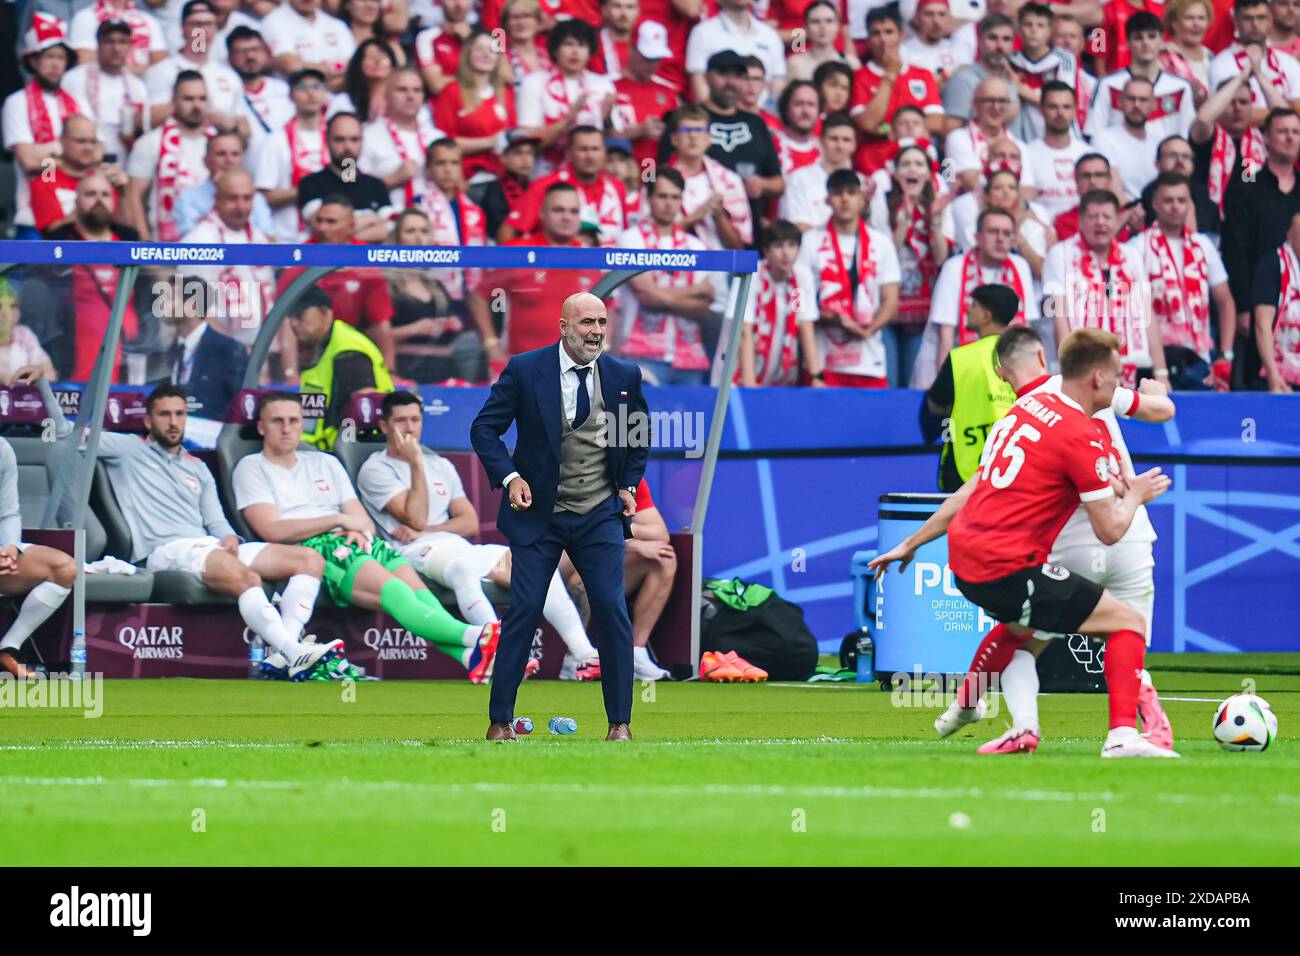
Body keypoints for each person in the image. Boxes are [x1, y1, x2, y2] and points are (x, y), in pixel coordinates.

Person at [871, 328, 1178, 759]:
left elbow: (972, 490)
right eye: (1115, 375)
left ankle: (981, 712)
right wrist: (1136, 494)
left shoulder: (1022, 410)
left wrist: (913, 542)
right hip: (1028, 559)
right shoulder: (1079, 431)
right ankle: (1122, 733)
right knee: (1124, 625)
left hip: (972, 559)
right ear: (1095, 377)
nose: (1116, 382)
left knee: (1022, 631)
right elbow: (1111, 523)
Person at [39, 378, 341, 681]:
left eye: (180, 414)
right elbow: (68, 434)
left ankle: (284, 651)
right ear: (148, 420)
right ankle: (294, 651)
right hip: (166, 550)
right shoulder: (127, 448)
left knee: (309, 560)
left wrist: (229, 538)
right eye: (165, 414)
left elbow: (217, 521)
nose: (173, 422)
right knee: (248, 578)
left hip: (207, 545)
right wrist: (42, 385)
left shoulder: (198, 467)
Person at [470, 291, 648, 741]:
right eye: (587, 322)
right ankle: (499, 722)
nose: (596, 331)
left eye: (602, 322)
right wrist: (510, 478)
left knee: (611, 608)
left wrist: (627, 487)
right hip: (538, 515)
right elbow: (484, 429)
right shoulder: (526, 369)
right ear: (564, 327)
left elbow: (637, 437)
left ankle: (620, 725)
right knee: (525, 608)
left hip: (598, 513)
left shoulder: (624, 375)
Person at [234, 391, 500, 681]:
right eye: (277, 421)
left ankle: (469, 657)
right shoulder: (251, 467)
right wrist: (337, 520)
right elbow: (271, 529)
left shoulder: (326, 463)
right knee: (397, 592)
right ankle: (482, 635)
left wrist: (355, 527)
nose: (287, 428)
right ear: (261, 427)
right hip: (315, 547)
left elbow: (363, 520)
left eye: (293, 421)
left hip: (360, 540)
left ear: (302, 425)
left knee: (423, 597)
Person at [357, 391, 602, 680]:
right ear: (385, 426)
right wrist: (415, 465)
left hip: (455, 546)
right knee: (462, 569)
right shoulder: (375, 468)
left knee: (537, 568)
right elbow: (416, 517)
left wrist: (430, 528)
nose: (409, 428)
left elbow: (468, 521)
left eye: (415, 420)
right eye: (401, 421)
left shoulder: (441, 465)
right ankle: (504, 652)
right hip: (410, 553)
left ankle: (584, 655)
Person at [1044, 189, 1166, 386]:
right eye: (1093, 216)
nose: (1100, 222)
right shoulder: (1060, 254)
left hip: (1129, 368)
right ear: (1081, 221)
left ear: (1117, 220)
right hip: (1082, 369)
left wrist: (1161, 372)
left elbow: (1146, 313)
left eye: (1107, 216)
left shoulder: (1132, 255)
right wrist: (1071, 370)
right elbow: (1060, 316)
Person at [471, 182, 605, 362]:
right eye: (559, 210)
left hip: (577, 369)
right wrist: (491, 344)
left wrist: (606, 346)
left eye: (573, 211)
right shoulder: (518, 252)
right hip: (522, 369)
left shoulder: (588, 257)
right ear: (542, 213)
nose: (567, 217)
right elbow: (478, 295)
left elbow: (609, 306)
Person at [1127, 171, 1235, 390]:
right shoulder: (1137, 247)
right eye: (1168, 200)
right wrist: (1159, 369)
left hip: (1200, 359)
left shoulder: (1203, 244)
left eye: (1181, 200)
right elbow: (1137, 309)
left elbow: (1225, 301)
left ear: (1190, 204)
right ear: (1154, 204)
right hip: (1153, 361)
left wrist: (1225, 355)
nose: (1175, 206)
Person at [914, 207, 1036, 392]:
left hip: (1000, 371)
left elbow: (1025, 329)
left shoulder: (1020, 266)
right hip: (947, 365)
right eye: (993, 231)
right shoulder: (954, 267)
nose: (1000, 239)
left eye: (1006, 233)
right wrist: (945, 385)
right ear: (977, 237)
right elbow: (945, 334)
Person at [1220, 107, 1300, 389]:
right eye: (1282, 131)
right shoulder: (1249, 183)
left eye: (1295, 132)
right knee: (1255, 384)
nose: (1289, 138)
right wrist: (1242, 305)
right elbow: (1235, 248)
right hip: (1257, 300)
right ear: (1265, 138)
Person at [614, 168, 717, 385]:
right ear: (649, 198)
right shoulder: (630, 240)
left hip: (689, 359)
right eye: (662, 196)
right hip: (642, 356)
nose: (669, 203)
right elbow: (646, 298)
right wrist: (695, 291)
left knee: (690, 420)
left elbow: (702, 309)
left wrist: (660, 294)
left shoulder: (696, 245)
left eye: (675, 197)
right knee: (639, 420)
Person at [798, 169, 900, 388]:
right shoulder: (809, 240)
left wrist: (871, 327)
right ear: (827, 199)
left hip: (869, 359)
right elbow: (798, 296)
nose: (845, 199)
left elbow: (891, 299)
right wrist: (830, 316)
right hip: (823, 359)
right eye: (838, 193)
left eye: (852, 192)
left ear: (862, 199)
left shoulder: (881, 242)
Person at [922, 282, 1020, 492]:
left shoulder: (961, 358)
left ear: (985, 315)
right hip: (1015, 469)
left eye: (973, 305)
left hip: (964, 471)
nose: (968, 309)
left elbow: (935, 404)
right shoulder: (1025, 355)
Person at [0, 412, 75, 677]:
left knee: (63, 568)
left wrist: (9, 548)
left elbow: (9, 512)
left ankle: (9, 647)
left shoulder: (2, 450)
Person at [871, 143, 952, 386]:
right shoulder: (883, 203)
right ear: (895, 174)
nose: (912, 169)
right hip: (887, 309)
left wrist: (935, 223)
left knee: (914, 384)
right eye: (905, 164)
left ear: (929, 174)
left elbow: (941, 259)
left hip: (923, 313)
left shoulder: (937, 206)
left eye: (919, 164)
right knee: (891, 382)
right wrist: (902, 224)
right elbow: (881, 258)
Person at [281, 287, 394, 449]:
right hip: (319, 451)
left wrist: (343, 455)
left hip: (341, 455)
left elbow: (364, 411)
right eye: (290, 317)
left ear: (324, 313)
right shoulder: (321, 345)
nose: (293, 323)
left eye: (300, 316)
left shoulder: (348, 351)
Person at [3, 15, 80, 240]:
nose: (55, 64)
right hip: (32, 214)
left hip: (75, 213)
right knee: (31, 275)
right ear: (34, 61)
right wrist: (71, 157)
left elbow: (94, 152)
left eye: (61, 57)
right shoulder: (17, 102)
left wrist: (49, 154)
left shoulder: (78, 102)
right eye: (48, 56)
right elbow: (28, 161)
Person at [178, 169, 276, 348]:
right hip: (211, 351)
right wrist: (234, 352)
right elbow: (194, 310)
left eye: (247, 198)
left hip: (258, 349)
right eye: (233, 198)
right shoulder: (199, 240)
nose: (241, 207)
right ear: (217, 199)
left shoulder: (258, 237)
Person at [385, 208, 482, 383]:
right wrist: (415, 328)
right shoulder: (385, 285)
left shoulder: (434, 284)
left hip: (443, 367)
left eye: (424, 231)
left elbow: (454, 316)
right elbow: (373, 335)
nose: (418, 237)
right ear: (397, 238)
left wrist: (454, 323)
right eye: (410, 231)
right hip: (403, 368)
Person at [850, 6, 943, 173]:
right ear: (868, 39)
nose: (883, 39)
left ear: (901, 36)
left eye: (888, 32)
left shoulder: (922, 74)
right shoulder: (859, 76)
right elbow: (867, 123)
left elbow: (936, 121)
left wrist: (887, 129)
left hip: (918, 157)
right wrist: (890, 75)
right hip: (874, 160)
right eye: (876, 33)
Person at [516, 19, 617, 172]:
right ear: (555, 50)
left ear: (590, 52)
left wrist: (607, 122)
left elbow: (612, 143)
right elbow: (528, 144)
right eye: (569, 44)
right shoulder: (534, 83)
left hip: (591, 173)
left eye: (582, 45)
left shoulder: (603, 85)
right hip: (545, 171)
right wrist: (567, 120)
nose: (575, 52)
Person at [123, 70, 213, 241]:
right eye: (188, 99)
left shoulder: (219, 143)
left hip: (215, 249)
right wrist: (146, 246)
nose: (196, 105)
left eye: (202, 99)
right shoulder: (150, 142)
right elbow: (133, 196)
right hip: (166, 248)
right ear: (173, 101)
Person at [502, 126, 629, 244]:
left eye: (595, 149)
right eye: (583, 149)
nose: (590, 156)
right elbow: (508, 233)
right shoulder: (545, 185)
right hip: (561, 266)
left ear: (604, 153)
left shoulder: (617, 187)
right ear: (569, 153)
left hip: (613, 266)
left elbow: (625, 234)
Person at [1085, 12, 1196, 142]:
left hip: (1166, 159)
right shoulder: (1108, 85)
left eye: (1151, 37)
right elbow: (1094, 133)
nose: (1145, 43)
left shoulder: (1181, 87)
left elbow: (1187, 136)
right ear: (1127, 42)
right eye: (1138, 38)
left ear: (1162, 40)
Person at [737, 219, 818, 387]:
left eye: (791, 245)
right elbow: (744, 331)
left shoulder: (800, 280)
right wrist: (750, 383)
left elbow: (804, 326)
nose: (786, 253)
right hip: (739, 376)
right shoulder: (751, 277)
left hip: (781, 379)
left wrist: (816, 377)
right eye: (779, 246)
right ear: (766, 251)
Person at [663, 103, 753, 250]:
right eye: (686, 130)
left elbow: (739, 248)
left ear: (708, 139)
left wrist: (719, 215)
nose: (692, 136)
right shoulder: (657, 179)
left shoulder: (729, 180)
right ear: (674, 139)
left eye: (699, 130)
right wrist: (695, 217)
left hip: (719, 268)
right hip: (674, 267)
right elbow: (651, 239)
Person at [255, 68, 330, 243]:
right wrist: (308, 190)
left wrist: (338, 184)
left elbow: (350, 179)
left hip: (332, 240)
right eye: (303, 88)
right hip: (289, 239)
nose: (310, 93)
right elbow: (264, 197)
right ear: (291, 96)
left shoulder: (339, 136)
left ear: (325, 93)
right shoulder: (274, 141)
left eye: (317, 87)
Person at [144, 0, 243, 132]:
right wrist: (201, 109)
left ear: (216, 28)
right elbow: (150, 120)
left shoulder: (229, 75)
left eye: (208, 24)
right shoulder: (160, 71)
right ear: (183, 28)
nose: (202, 31)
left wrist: (231, 124)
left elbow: (245, 128)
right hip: (172, 147)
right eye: (197, 24)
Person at [432, 28, 516, 181]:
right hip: (467, 177)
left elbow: (512, 137)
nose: (486, 54)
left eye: (492, 51)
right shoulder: (452, 91)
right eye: (479, 49)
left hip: (502, 176)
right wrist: (490, 142)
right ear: (468, 54)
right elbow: (443, 142)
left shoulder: (505, 94)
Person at [358, 66, 444, 210]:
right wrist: (393, 179)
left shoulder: (437, 138)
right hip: (387, 221)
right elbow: (352, 189)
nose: (411, 96)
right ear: (386, 95)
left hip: (435, 222)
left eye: (417, 90)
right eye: (402, 89)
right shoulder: (364, 135)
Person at [296, 112, 394, 236]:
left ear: (362, 142)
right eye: (339, 139)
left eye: (354, 139)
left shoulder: (376, 185)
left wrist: (343, 230)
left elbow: (390, 230)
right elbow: (325, 231)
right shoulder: (310, 184)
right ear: (327, 140)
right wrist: (372, 219)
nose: (347, 146)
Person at [63, 19, 147, 163]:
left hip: (124, 165)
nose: (116, 48)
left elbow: (144, 136)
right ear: (98, 45)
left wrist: (137, 130)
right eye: (109, 41)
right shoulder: (74, 78)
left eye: (122, 42)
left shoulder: (138, 87)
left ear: (129, 46)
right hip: (82, 163)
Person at [1190, 69, 1269, 218]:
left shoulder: (1258, 140)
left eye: (1244, 102)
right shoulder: (1208, 136)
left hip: (1249, 221)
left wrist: (1258, 74)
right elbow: (1202, 119)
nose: (1237, 107)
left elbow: (1285, 116)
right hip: (1212, 223)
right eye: (1230, 102)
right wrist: (1241, 77)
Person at [30, 115, 128, 236]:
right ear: (62, 141)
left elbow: (125, 231)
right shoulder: (47, 180)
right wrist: (90, 199)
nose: (88, 147)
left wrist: (122, 192)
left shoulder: (104, 181)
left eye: (93, 142)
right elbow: (53, 232)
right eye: (80, 141)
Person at [174, 131, 275, 237]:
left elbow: (269, 240)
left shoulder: (256, 198)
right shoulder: (187, 198)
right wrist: (222, 188)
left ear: (242, 160)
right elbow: (192, 244)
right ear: (206, 161)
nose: (229, 160)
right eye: (221, 154)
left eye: (235, 154)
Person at [684, 0, 786, 105]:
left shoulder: (770, 35)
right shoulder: (702, 32)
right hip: (719, 115)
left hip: (762, 115)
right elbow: (700, 91)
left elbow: (777, 88)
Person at [1209, 0, 1300, 115]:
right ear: (1236, 22)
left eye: (1261, 18)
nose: (1255, 24)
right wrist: (1285, 111)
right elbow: (1229, 114)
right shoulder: (1222, 64)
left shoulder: (1288, 62)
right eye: (1248, 18)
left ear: (1271, 21)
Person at [611, 20, 679, 171]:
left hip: (654, 168)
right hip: (620, 168)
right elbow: (598, 135)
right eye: (646, 58)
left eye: (656, 59)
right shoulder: (609, 86)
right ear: (631, 49)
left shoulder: (668, 90)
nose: (651, 65)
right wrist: (639, 131)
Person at [941, 13, 1021, 140]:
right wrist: (1002, 115)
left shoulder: (1011, 80)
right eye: (993, 38)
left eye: (1006, 39)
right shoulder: (963, 79)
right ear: (979, 40)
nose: (1000, 46)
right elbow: (950, 132)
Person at [1008, 2, 1078, 141]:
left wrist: (1021, 90)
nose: (1033, 30)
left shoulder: (1064, 59)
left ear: (1050, 31)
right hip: (1020, 133)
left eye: (1040, 25)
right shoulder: (1011, 60)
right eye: (1028, 24)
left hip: (1058, 132)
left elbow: (1063, 102)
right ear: (1019, 29)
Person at [779, 111, 860, 231]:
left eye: (846, 140)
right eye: (833, 139)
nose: (840, 146)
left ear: (854, 145)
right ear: (821, 141)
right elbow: (796, 226)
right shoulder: (799, 178)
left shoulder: (862, 182)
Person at [1024, 81, 1091, 222]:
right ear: (1041, 110)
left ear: (1074, 110)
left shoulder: (1089, 155)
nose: (1060, 113)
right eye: (1053, 107)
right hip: (1042, 234)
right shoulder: (1026, 154)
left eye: (1066, 107)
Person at [227, 26, 294, 162]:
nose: (250, 56)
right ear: (229, 58)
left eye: (256, 50)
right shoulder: (224, 93)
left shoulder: (284, 90)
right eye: (242, 51)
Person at [1251, 208, 1300, 392]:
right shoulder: (1272, 265)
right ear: (1290, 236)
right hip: (1281, 375)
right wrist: (1272, 373)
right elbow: (1262, 324)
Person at [260, 0, 355, 89]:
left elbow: (354, 65)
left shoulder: (337, 25)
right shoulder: (274, 21)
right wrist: (336, 69)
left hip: (338, 93)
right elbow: (291, 67)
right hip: (292, 95)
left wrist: (308, 66)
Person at [69, 0, 167, 76]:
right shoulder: (86, 17)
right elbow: (86, 63)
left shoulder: (148, 20)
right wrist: (139, 69)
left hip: (142, 88)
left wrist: (120, 70)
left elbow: (161, 66)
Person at [785, 0, 860, 82]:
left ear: (838, 26)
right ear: (805, 27)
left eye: (829, 21)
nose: (823, 27)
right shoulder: (795, 63)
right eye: (815, 21)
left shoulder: (851, 63)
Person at [0, 279, 56, 385]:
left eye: (12, 306)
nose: (5, 312)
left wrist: (39, 374)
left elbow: (50, 375)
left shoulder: (23, 334)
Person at [414, 0, 472, 95]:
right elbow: (437, 85)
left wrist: (470, 42)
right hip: (443, 104)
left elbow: (496, 78)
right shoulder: (427, 37)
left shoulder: (484, 37)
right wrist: (477, 78)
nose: (458, 3)